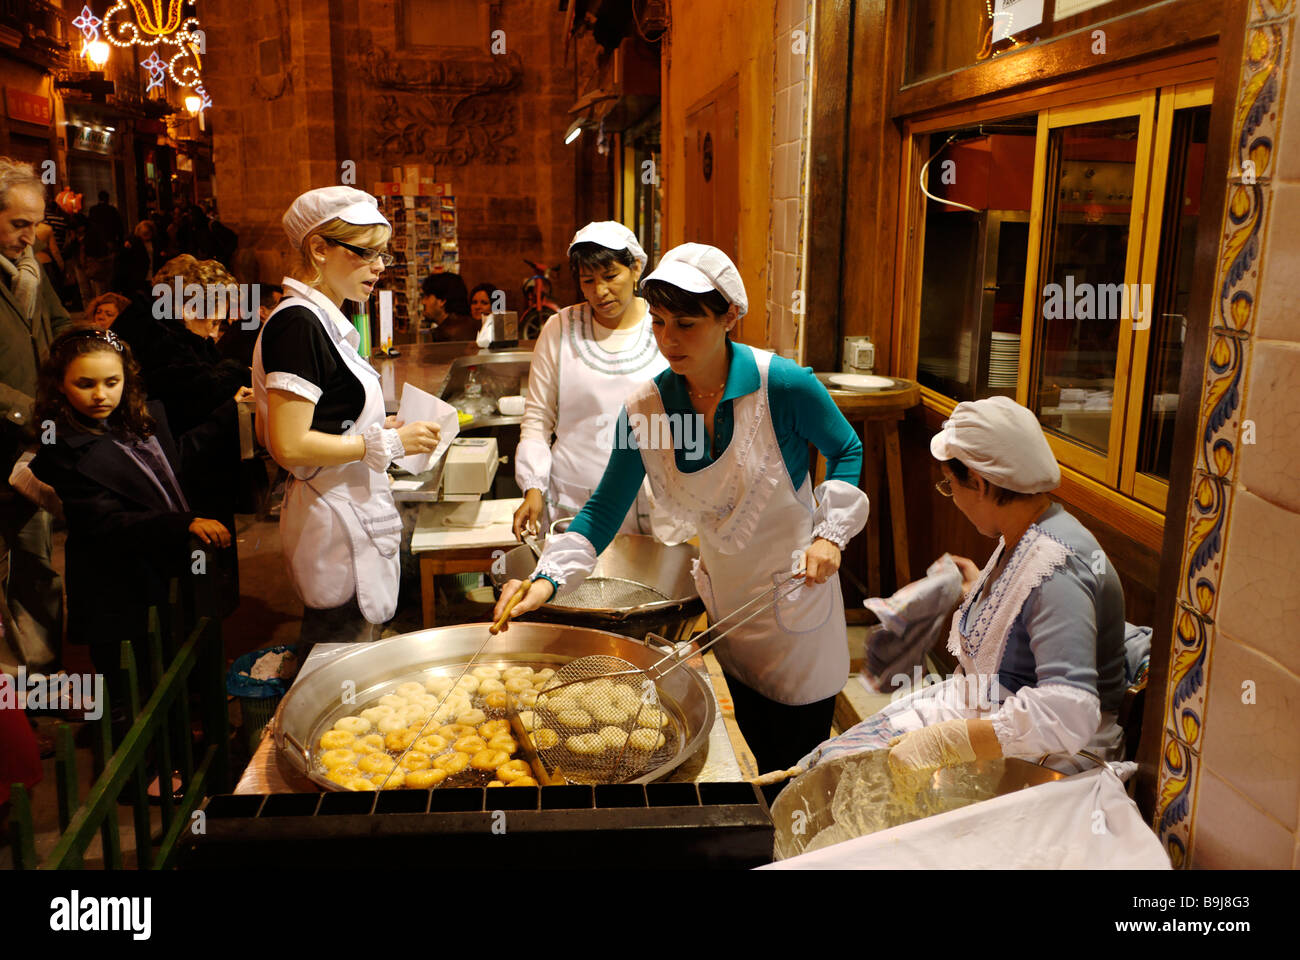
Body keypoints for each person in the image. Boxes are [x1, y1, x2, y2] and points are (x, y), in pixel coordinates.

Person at [494, 243, 870, 772]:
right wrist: (546, 579)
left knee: (800, 766)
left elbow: (846, 448)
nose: (668, 340)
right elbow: (603, 511)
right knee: (755, 758)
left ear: (729, 318)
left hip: (797, 609)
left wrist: (830, 534)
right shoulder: (647, 408)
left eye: (687, 324)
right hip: (728, 612)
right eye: (660, 321)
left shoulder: (782, 385)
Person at [782, 396, 1128, 782]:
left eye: (950, 485)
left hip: (1053, 757)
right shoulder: (1030, 530)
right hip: (994, 708)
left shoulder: (1057, 568)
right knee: (830, 764)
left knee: (856, 783)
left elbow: (1068, 712)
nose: (953, 498)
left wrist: (947, 743)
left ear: (978, 483)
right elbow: (1029, 617)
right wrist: (978, 588)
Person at [253, 186, 440, 644]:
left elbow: (319, 422)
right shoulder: (297, 324)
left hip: (347, 515)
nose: (379, 267)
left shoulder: (323, 321)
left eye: (383, 255)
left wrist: (373, 430)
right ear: (319, 248)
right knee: (337, 659)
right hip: (333, 526)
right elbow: (288, 443)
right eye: (365, 254)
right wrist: (385, 444)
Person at [30, 330, 232, 701]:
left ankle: (192, 736)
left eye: (112, 382)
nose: (100, 394)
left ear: (127, 379)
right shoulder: (61, 447)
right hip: (118, 589)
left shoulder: (142, 417)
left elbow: (172, 464)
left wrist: (229, 413)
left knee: (182, 670)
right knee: (135, 690)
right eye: (85, 384)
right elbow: (105, 522)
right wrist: (181, 523)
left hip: (165, 574)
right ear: (59, 385)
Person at [512, 221, 667, 538]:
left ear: (636, 268)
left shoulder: (664, 324)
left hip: (651, 500)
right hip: (574, 501)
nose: (600, 291)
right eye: (588, 281)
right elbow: (537, 417)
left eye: (611, 277)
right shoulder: (560, 328)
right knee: (575, 585)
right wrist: (533, 487)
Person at [0, 157, 71, 675]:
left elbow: (58, 324)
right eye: (17, 224)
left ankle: (42, 685)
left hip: (32, 451)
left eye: (34, 225)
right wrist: (25, 408)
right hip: (8, 439)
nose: (30, 237)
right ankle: (13, 710)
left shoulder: (32, 269)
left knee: (36, 568)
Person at [420, 273, 477, 341]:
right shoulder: (471, 325)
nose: (423, 302)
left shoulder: (445, 334)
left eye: (427, 297)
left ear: (442, 301)